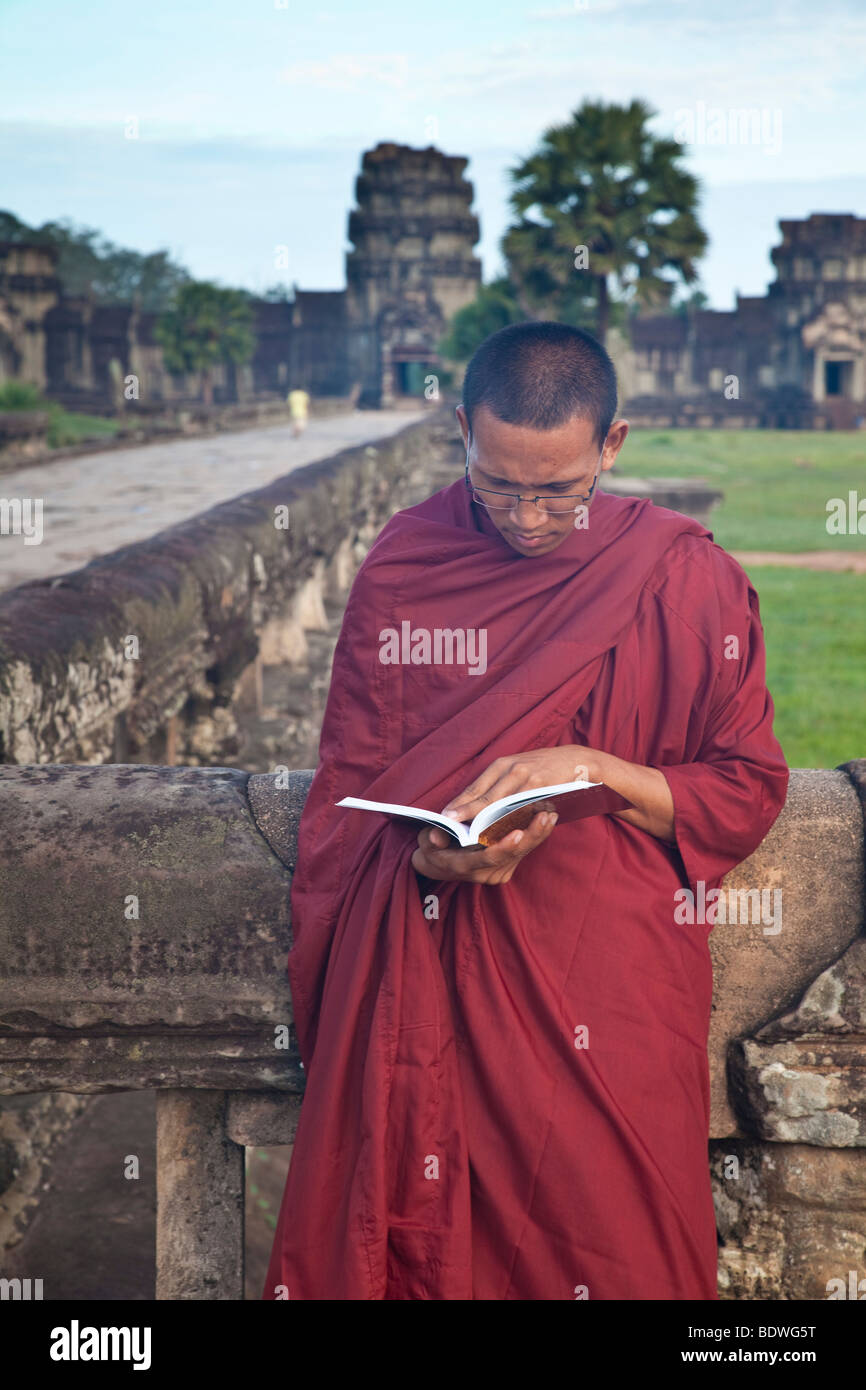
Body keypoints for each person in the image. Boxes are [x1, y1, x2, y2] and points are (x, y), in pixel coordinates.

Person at [263, 321, 789, 1301]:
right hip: (439, 968)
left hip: (614, 981)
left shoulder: (679, 574)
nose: (529, 517)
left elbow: (746, 783)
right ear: (461, 430)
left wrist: (594, 765)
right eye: (498, 483)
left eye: (558, 488)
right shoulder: (408, 564)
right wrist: (426, 863)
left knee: (624, 1251)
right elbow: (348, 800)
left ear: (612, 445)